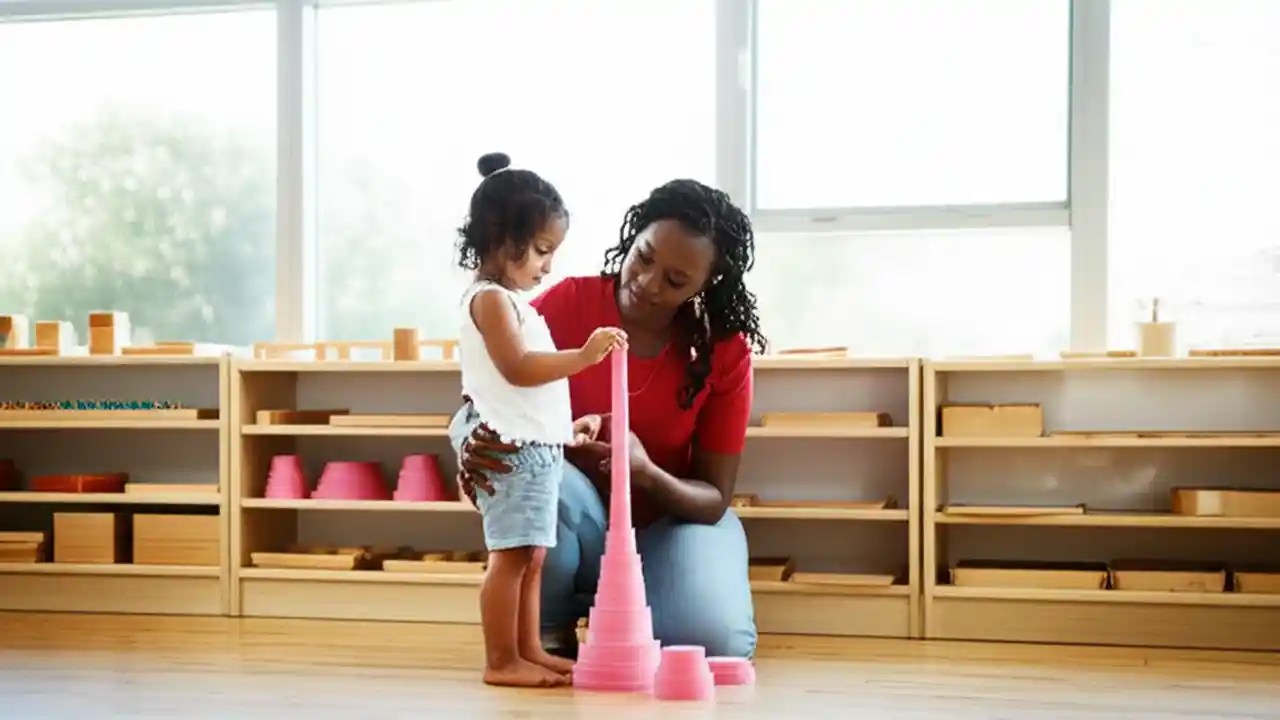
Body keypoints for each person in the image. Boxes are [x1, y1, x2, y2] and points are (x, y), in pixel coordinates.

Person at [452, 176, 767, 661]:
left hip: (671, 527)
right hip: (575, 525)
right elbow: (486, 395)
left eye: (675, 280)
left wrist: (647, 473)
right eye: (643, 257)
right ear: (632, 235)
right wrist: (472, 441)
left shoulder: (721, 350)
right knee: (543, 473)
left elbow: (712, 499)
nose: (645, 283)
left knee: (712, 642)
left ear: (707, 284)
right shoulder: (561, 307)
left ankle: (636, 607)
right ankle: (548, 624)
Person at [450, 152, 627, 688]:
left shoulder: (514, 303)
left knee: (533, 557)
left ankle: (528, 649)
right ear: (503, 240)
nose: (547, 266)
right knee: (511, 556)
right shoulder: (491, 301)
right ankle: (501, 660)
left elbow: (526, 393)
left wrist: (561, 432)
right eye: (542, 251)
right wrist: (584, 355)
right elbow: (519, 369)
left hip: (535, 446)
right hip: (513, 452)